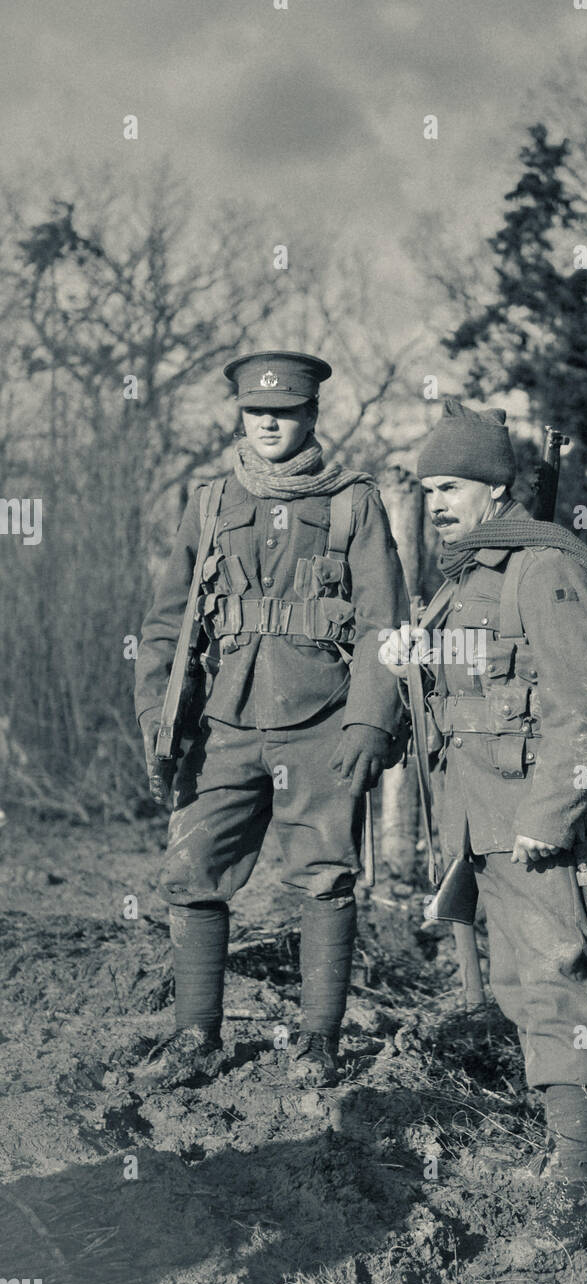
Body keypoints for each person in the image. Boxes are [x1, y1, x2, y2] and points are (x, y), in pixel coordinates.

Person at [134, 351, 408, 1087]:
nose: (267, 423)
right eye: (256, 412)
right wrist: (158, 719)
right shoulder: (211, 501)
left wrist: (368, 724)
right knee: (190, 871)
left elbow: (386, 623)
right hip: (223, 722)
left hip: (322, 720)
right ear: (240, 417)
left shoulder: (353, 501)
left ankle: (318, 1043)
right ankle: (198, 1038)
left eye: (283, 412)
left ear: (311, 416)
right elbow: (166, 624)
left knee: (323, 877)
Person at [382, 398, 587, 1219]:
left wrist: (548, 817)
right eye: (427, 490)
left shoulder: (543, 569)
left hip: (530, 824)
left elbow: (582, 704)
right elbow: (476, 688)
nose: (437, 503)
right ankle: (570, 1153)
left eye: (451, 486)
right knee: (523, 987)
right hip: (481, 819)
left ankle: (579, 1178)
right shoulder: (470, 575)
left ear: (495, 487)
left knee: (556, 981)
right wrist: (414, 660)